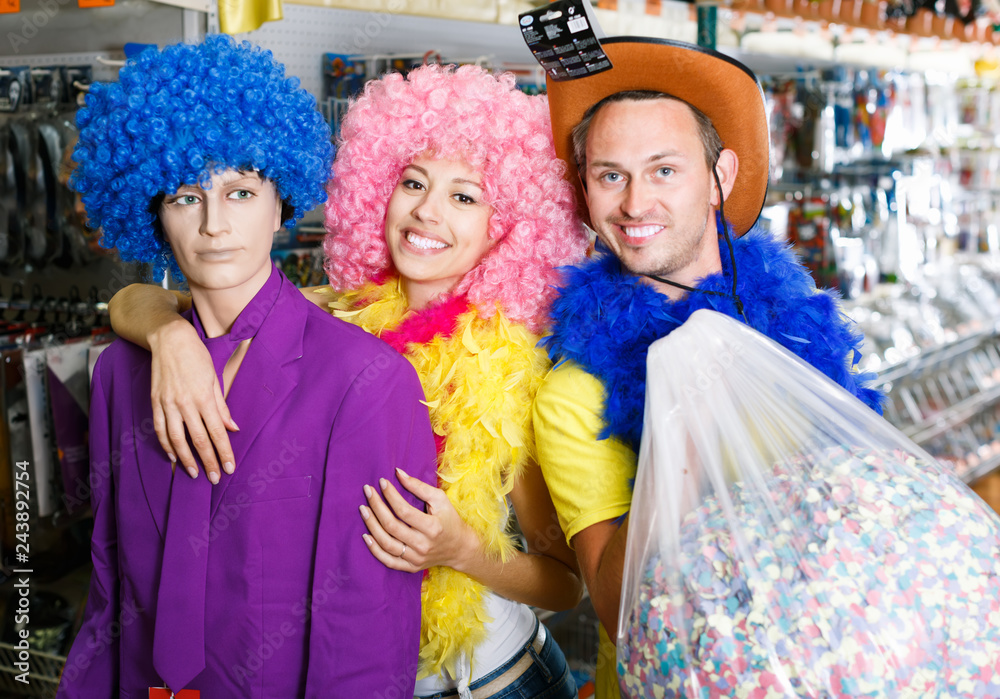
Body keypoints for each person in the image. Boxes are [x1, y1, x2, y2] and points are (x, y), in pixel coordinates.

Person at [107, 63, 589, 698]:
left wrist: (461, 551)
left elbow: (566, 582)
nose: (426, 211)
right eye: (413, 182)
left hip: (486, 681)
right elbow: (145, 298)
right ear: (378, 190)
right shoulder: (332, 313)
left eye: (464, 196)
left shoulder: (518, 376)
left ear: (509, 226)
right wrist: (167, 337)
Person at [57, 36, 437, 698]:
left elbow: (366, 630)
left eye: (239, 191)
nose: (212, 225)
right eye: (185, 196)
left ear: (281, 199)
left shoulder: (365, 381)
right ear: (151, 209)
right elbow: (109, 583)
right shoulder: (120, 374)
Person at [530, 37, 886, 699]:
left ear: (720, 177)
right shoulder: (573, 393)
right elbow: (618, 608)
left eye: (664, 170)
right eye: (611, 174)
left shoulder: (793, 323)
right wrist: (679, 427)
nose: (635, 203)